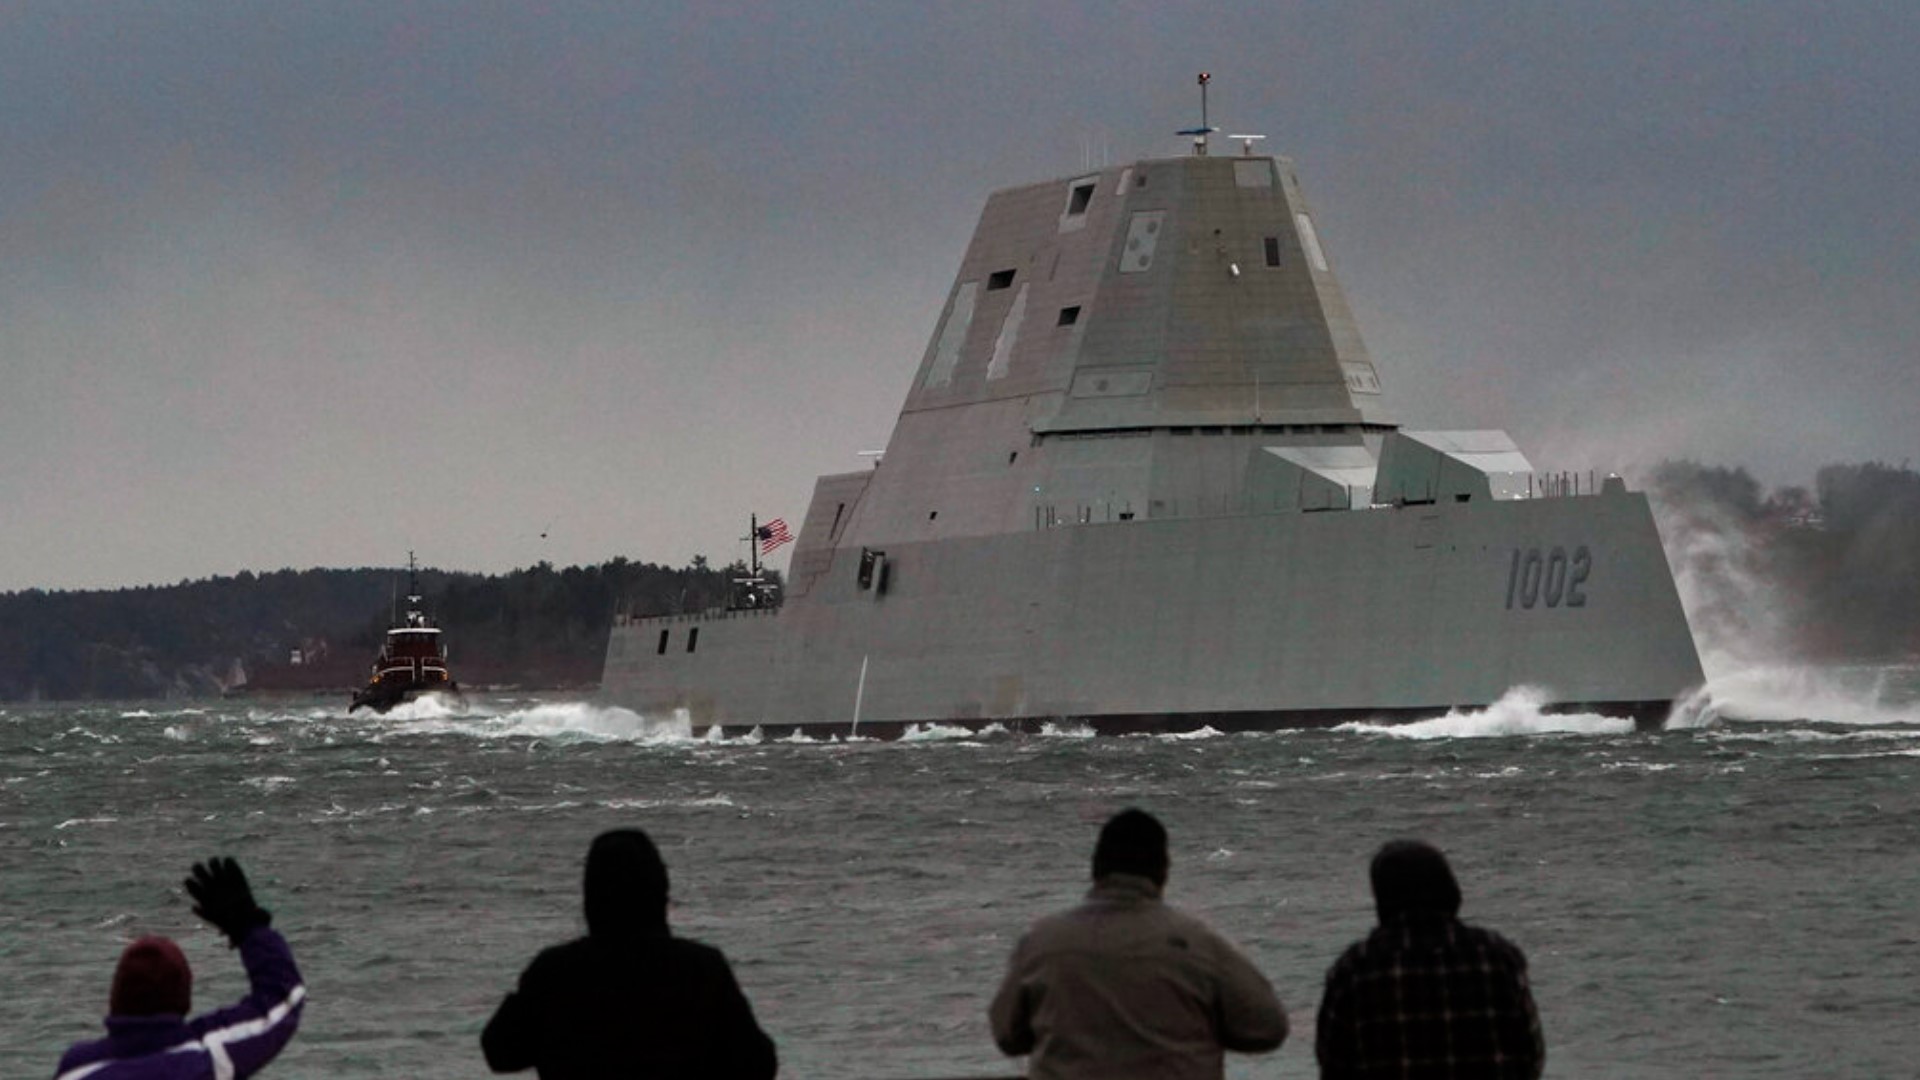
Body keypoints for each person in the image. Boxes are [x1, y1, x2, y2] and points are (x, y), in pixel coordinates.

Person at [988, 808, 1288, 1080]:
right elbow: (1267, 1028)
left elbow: (1007, 1035)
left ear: (1095, 868)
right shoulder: (1198, 942)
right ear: (1163, 870)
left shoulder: (1043, 942)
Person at [482, 828, 777, 1079]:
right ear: (659, 892)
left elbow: (499, 1052)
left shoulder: (554, 972)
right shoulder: (701, 969)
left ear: (591, 897)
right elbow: (758, 1064)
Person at [56, 857, 306, 1080]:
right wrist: (248, 927)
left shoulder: (77, 1068)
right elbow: (283, 998)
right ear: (183, 999)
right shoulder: (207, 1058)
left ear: (115, 998)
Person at [1316, 839, 1545, 1079]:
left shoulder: (1354, 970)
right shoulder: (1497, 957)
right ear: (1449, 889)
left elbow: (1334, 1067)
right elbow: (1529, 1055)